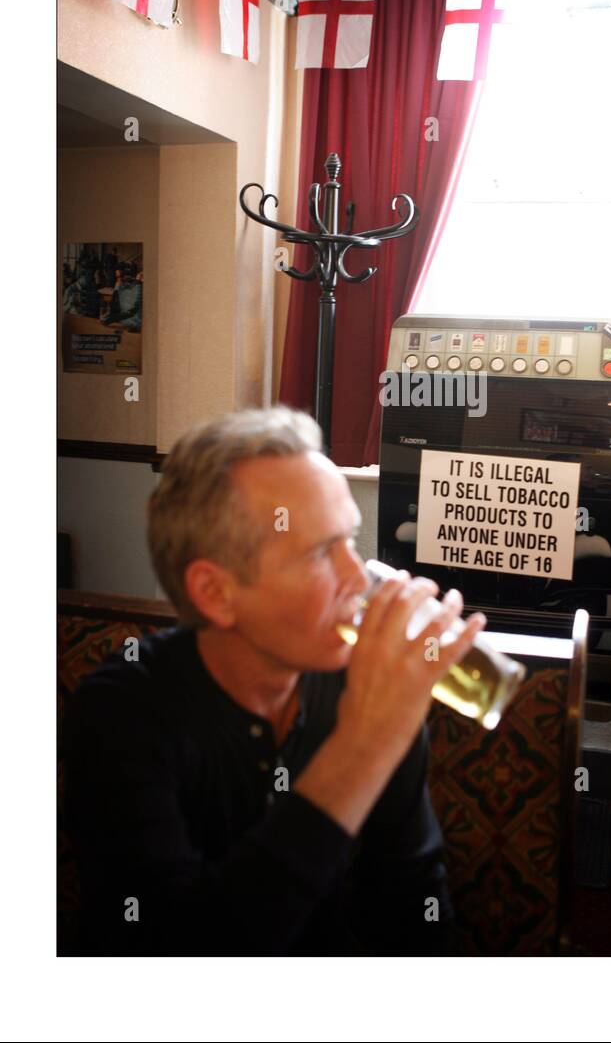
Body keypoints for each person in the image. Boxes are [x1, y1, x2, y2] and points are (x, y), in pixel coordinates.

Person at [62, 406, 486, 957]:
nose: (359, 577)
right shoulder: (119, 717)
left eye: (349, 540)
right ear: (216, 593)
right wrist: (365, 746)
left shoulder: (361, 685)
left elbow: (412, 906)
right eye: (317, 553)